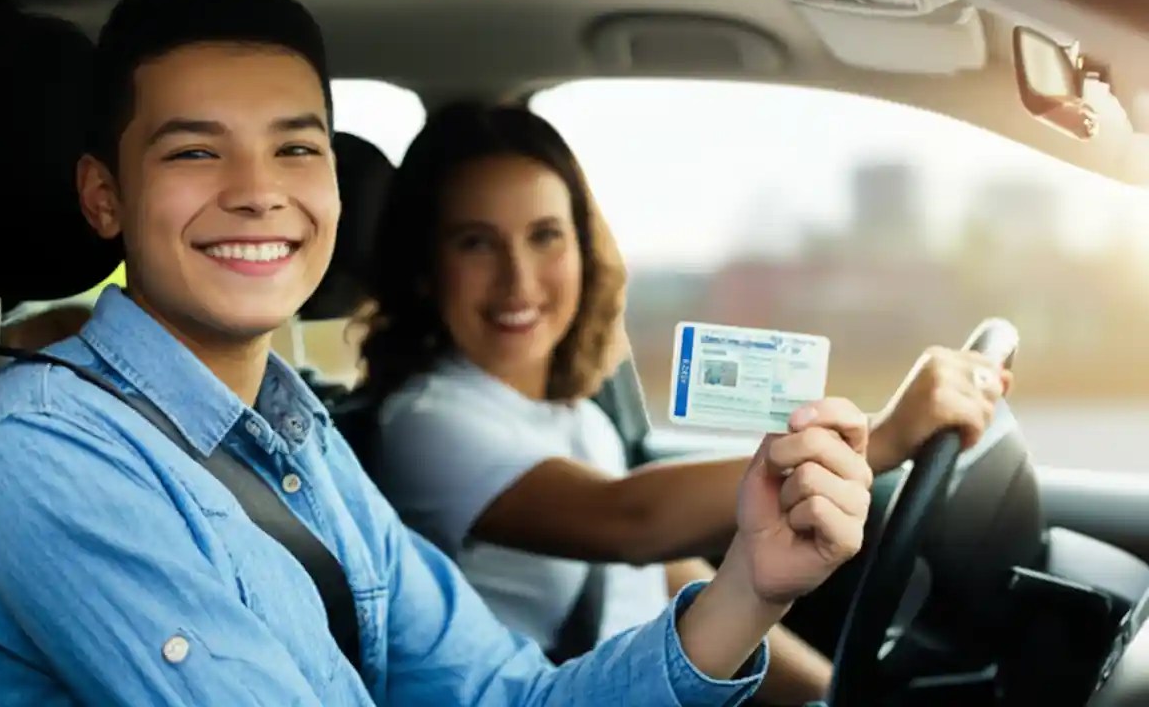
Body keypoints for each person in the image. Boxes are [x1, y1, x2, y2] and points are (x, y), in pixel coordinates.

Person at [0, 0, 874, 704]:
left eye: (297, 147)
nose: (259, 191)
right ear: (103, 196)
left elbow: (511, 697)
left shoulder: (300, 438)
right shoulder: (40, 453)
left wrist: (751, 585)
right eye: (195, 150)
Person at [358, 103, 1013, 705]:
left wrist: (832, 694)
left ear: (583, 250)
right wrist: (882, 434)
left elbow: (661, 574)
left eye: (546, 236)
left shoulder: (579, 418)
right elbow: (628, 520)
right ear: (424, 266)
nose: (518, 278)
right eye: (475, 242)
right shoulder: (424, 423)